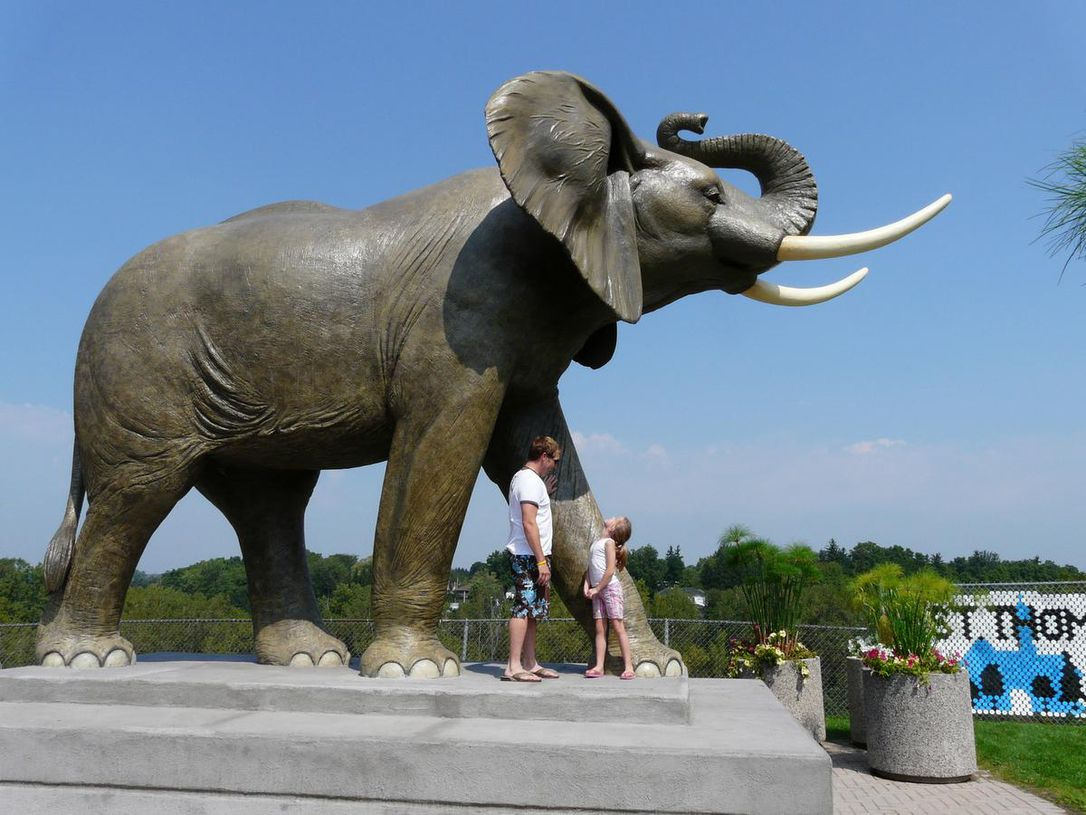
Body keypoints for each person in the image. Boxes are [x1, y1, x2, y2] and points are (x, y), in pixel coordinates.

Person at [502, 435, 561, 682]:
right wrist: (540, 561)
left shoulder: (529, 481)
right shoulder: (527, 480)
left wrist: (543, 492)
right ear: (544, 456)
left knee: (534, 611)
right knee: (523, 608)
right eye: (554, 460)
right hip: (527, 556)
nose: (554, 466)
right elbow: (529, 522)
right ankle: (513, 666)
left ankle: (530, 662)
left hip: (533, 554)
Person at [582, 516, 635, 680]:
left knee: (618, 626)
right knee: (600, 628)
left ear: (613, 528)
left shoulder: (609, 543)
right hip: (598, 590)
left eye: (616, 519)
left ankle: (629, 667)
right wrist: (587, 585)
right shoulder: (596, 543)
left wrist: (597, 588)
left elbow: (610, 570)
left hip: (609, 588)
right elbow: (591, 567)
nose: (611, 517)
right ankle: (599, 666)